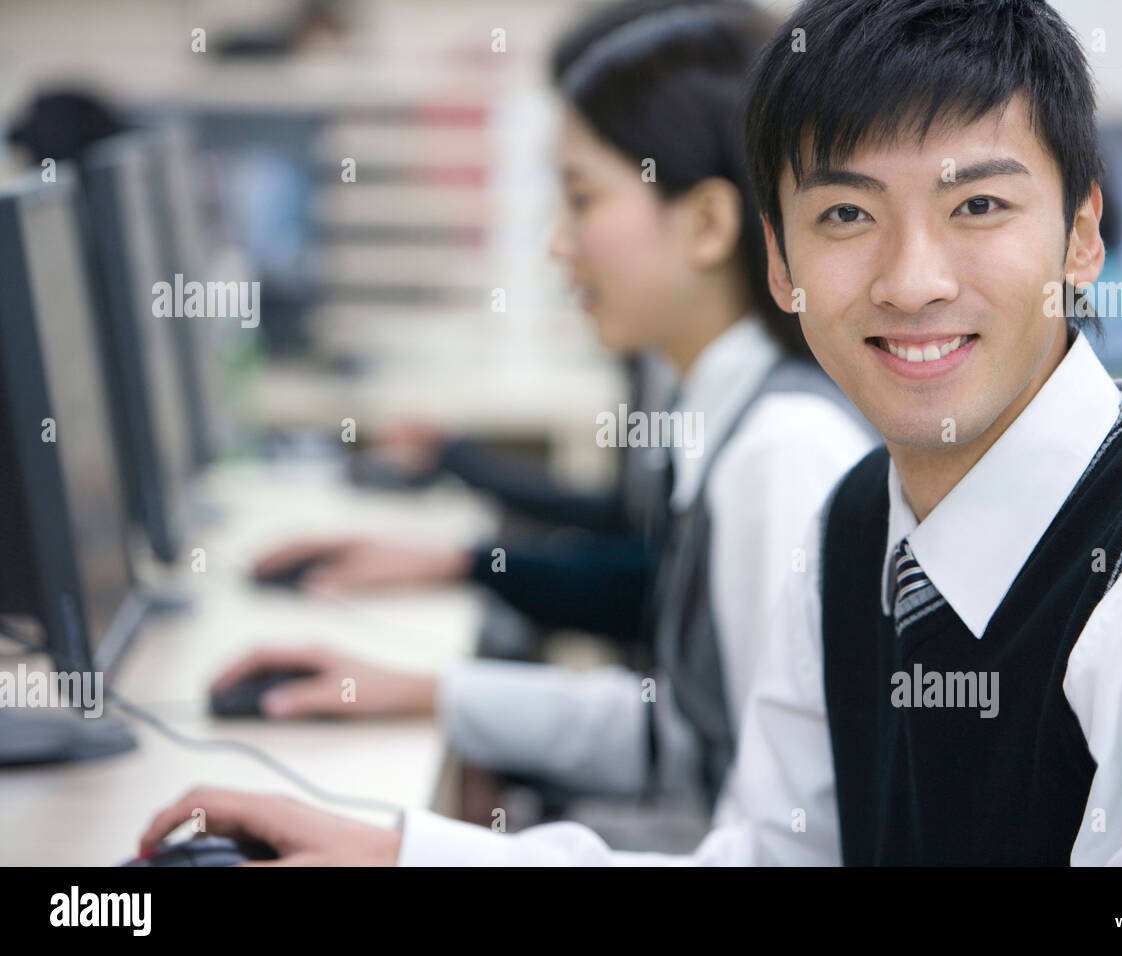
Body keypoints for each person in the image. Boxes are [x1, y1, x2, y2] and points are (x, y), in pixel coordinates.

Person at [143, 0, 1122, 866]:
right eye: (846, 214)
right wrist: (397, 851)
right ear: (781, 260)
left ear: (1083, 235)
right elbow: (767, 858)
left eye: (978, 206)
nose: (911, 277)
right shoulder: (856, 527)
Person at [185, 0, 875, 849]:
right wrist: (433, 696)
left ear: (706, 223)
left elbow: (781, 852)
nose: (557, 244)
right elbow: (686, 732)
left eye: (582, 199)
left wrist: (411, 855)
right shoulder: (736, 425)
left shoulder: (784, 457)